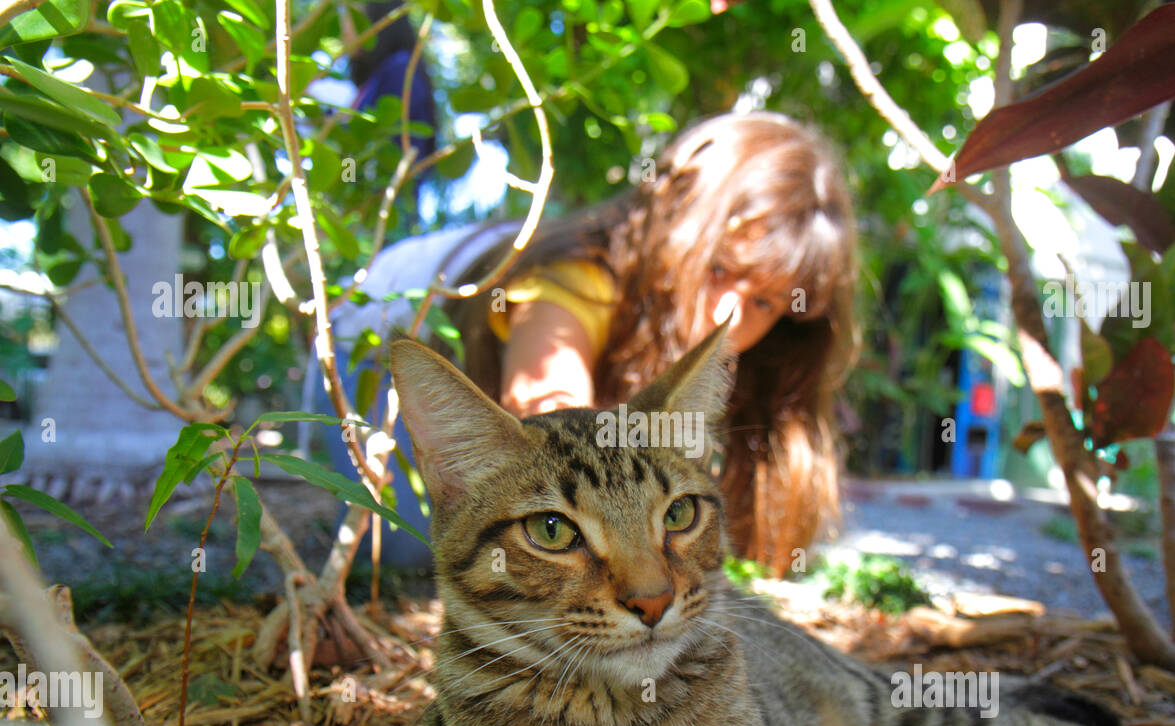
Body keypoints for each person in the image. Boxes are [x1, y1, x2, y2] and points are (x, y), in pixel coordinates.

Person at [326, 110, 859, 576]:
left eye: (766, 302)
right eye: (719, 268)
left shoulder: (752, 355)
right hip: (364, 348)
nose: (729, 313)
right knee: (418, 550)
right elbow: (552, 417)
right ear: (675, 224)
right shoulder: (578, 279)